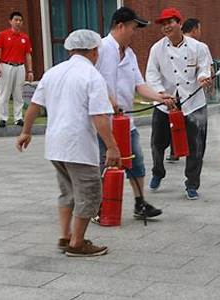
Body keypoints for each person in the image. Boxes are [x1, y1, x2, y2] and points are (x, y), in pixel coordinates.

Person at [16, 29, 121, 257]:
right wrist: (112, 146)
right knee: (89, 193)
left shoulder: (53, 72)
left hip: (55, 145)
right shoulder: (92, 76)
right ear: (94, 51)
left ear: (71, 49)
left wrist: (26, 132)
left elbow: (34, 105)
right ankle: (77, 243)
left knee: (68, 192)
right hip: (78, 145)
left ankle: (65, 236)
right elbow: (99, 116)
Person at [93, 7, 174, 222]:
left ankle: (140, 204)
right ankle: (100, 206)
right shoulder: (99, 49)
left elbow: (140, 85)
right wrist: (111, 102)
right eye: (132, 28)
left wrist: (160, 97)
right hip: (102, 122)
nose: (134, 33)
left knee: (136, 162)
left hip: (125, 122)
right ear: (120, 26)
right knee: (105, 165)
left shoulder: (129, 54)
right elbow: (92, 82)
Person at [146, 7, 212, 200]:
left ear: (180, 23)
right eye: (163, 24)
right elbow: (151, 74)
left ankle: (192, 184)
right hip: (166, 102)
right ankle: (158, 172)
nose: (166, 27)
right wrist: (161, 94)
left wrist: (203, 77)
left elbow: (204, 67)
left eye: (170, 22)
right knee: (158, 143)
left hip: (193, 101)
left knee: (196, 146)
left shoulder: (198, 47)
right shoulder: (157, 49)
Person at [0, 11, 33, 128]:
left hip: (20, 66)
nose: (18, 22)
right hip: (6, 66)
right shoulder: (3, 35)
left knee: (18, 94)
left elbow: (28, 54)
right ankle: (2, 118)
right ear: (10, 21)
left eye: (20, 20)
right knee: (5, 93)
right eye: (16, 20)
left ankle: (18, 117)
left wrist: (30, 70)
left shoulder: (24, 38)